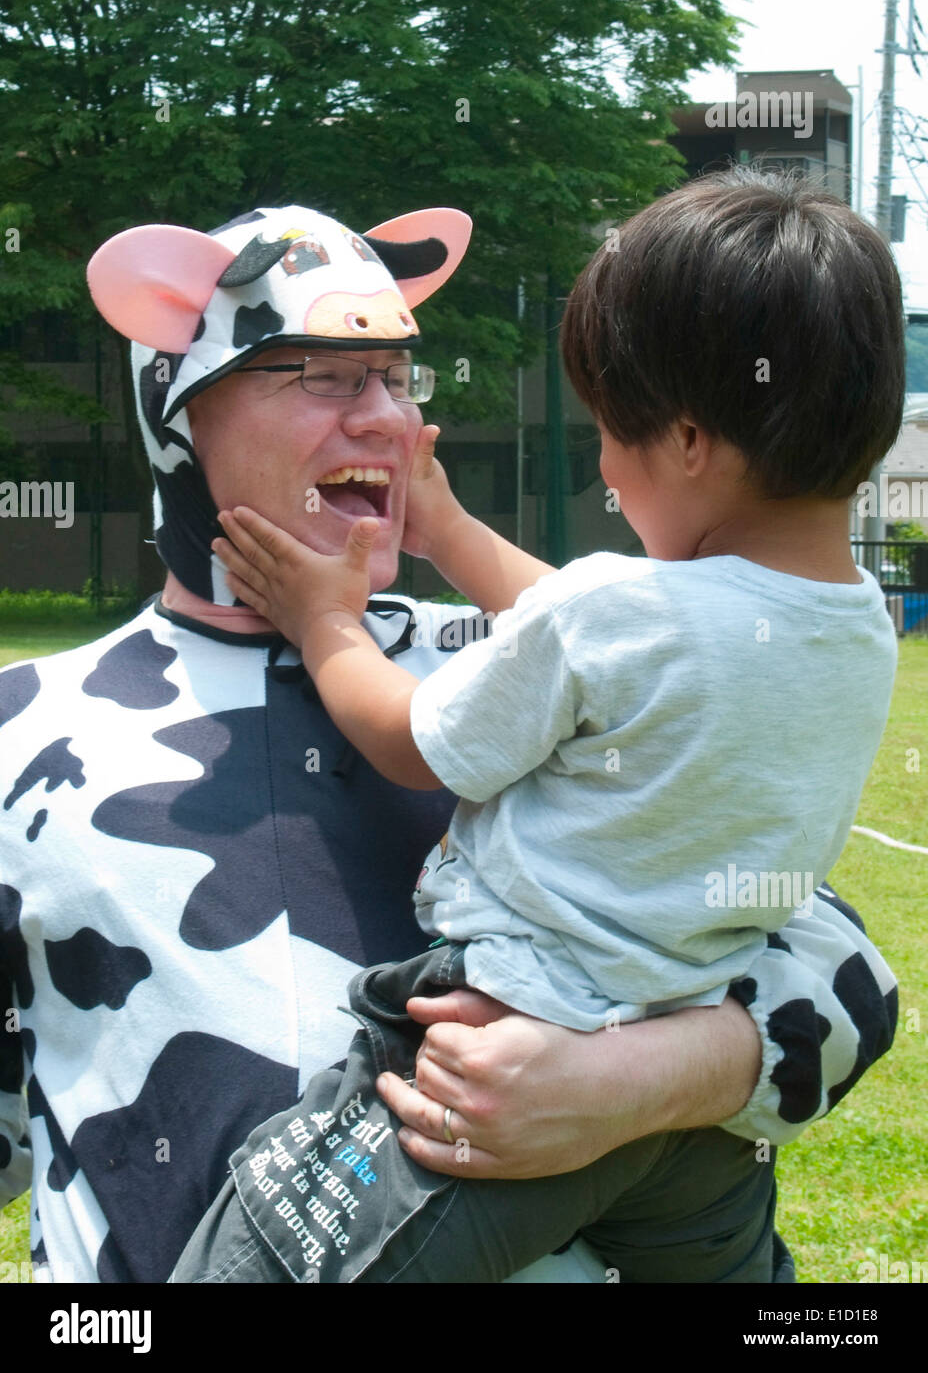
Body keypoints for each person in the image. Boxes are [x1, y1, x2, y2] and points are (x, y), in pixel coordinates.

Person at [0, 193, 897, 1285]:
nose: (385, 419)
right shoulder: (27, 731)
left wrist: (641, 1079)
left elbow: (844, 973)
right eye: (325, 375)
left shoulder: (529, 656)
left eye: (392, 377)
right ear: (179, 414)